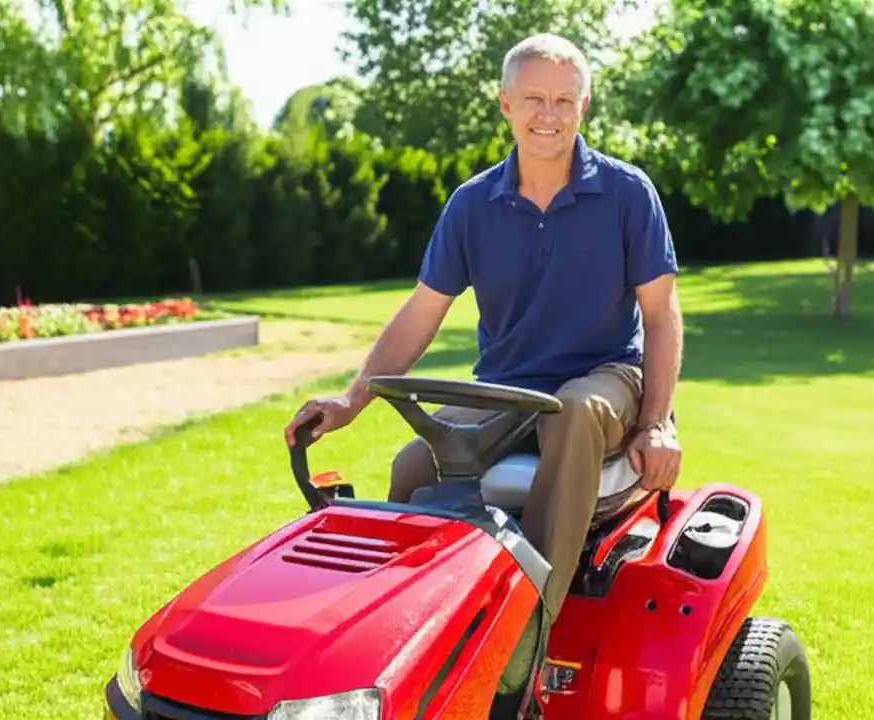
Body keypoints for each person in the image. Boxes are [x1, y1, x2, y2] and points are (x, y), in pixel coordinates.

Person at [284, 32, 683, 628]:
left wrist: (655, 425)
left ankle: (529, 625)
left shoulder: (628, 194)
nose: (548, 115)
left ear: (584, 107)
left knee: (574, 409)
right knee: (414, 466)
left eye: (564, 101)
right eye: (533, 100)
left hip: (605, 380)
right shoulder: (472, 206)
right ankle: (396, 628)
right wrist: (351, 398)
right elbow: (422, 312)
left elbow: (661, 314)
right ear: (505, 105)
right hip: (509, 390)